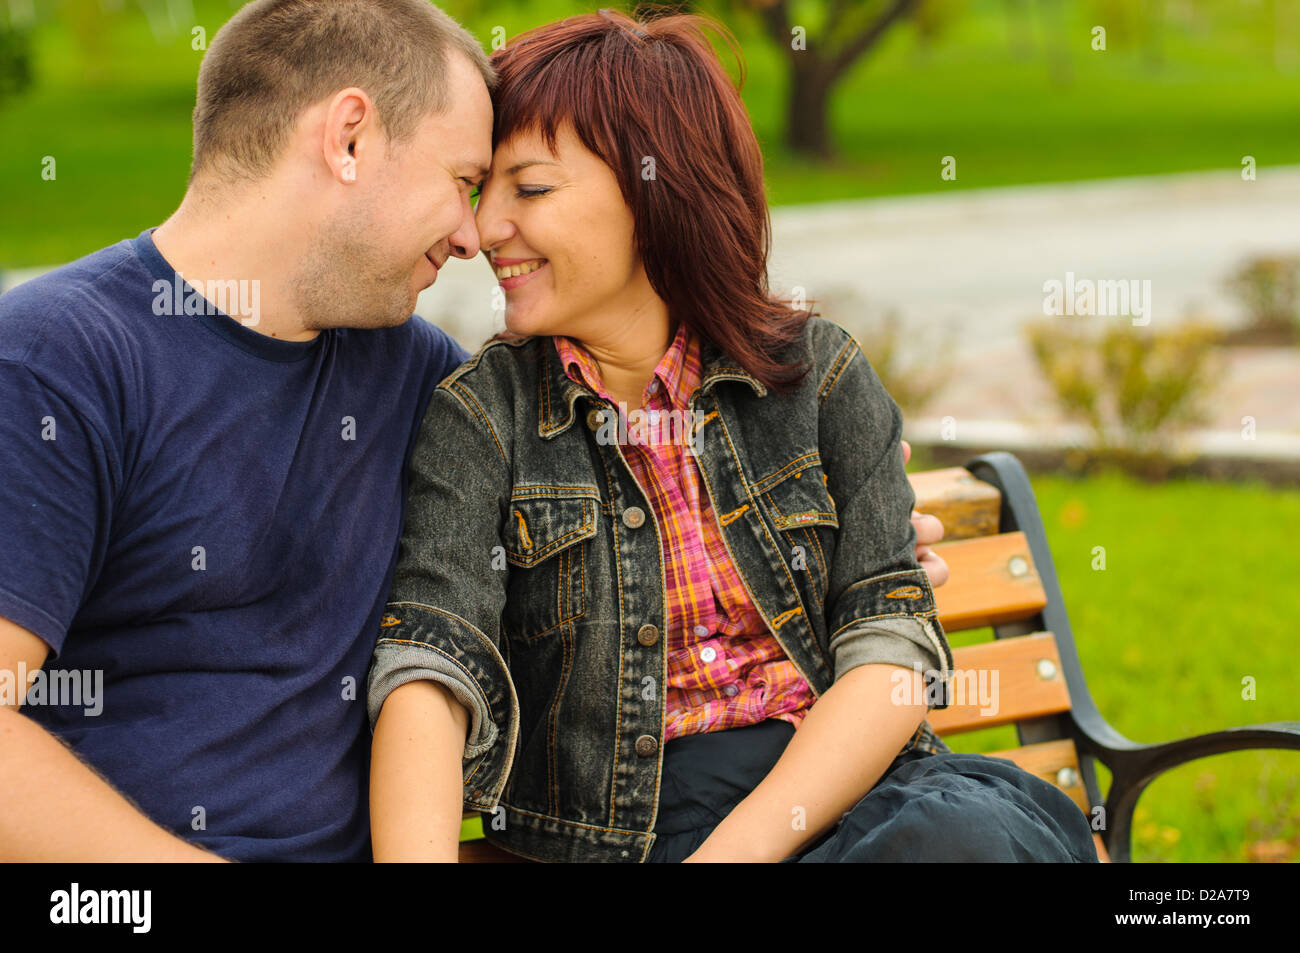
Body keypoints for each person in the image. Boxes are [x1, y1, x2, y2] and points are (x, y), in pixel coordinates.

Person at [366, 9, 1098, 863]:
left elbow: (889, 656)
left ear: (654, 190)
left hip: (848, 804)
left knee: (957, 841)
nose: (487, 230)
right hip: (627, 837)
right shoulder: (482, 419)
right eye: (482, 191)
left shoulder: (814, 377)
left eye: (529, 189)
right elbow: (432, 665)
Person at [0, 0, 494, 862]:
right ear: (348, 138)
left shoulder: (419, 374)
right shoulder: (61, 357)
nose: (471, 235)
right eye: (464, 181)